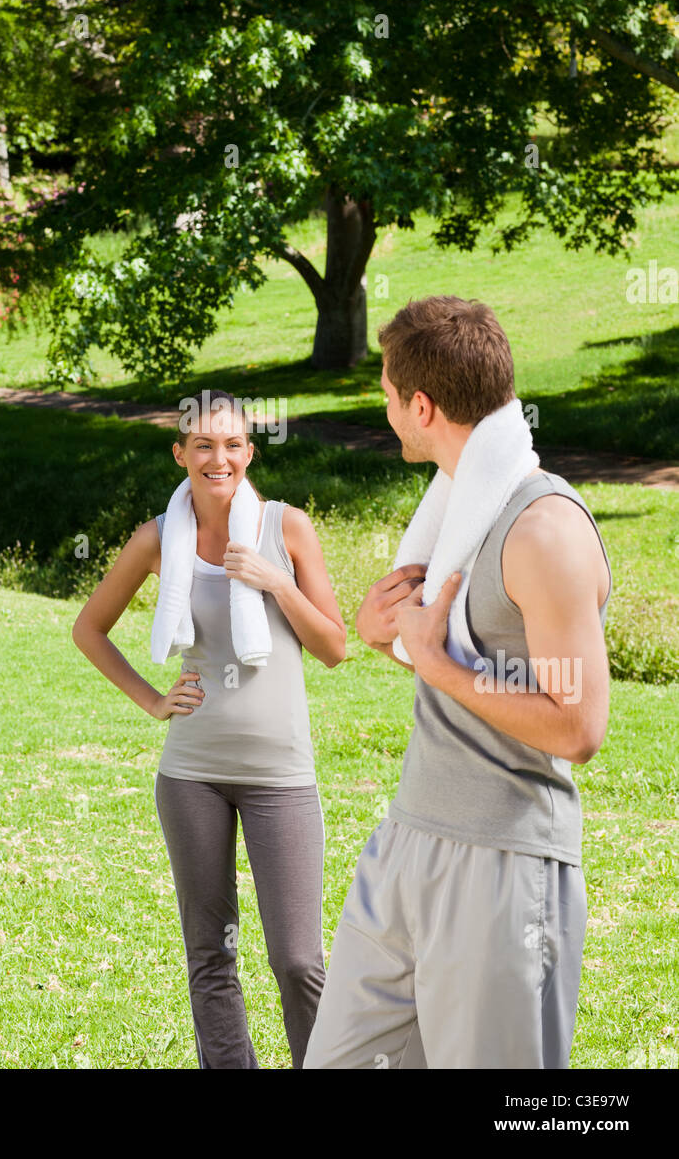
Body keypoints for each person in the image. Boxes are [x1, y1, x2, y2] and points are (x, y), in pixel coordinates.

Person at [304, 296, 612, 1070]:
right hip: (408, 840)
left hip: (507, 866)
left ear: (421, 404)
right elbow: (447, 655)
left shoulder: (543, 530)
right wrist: (390, 640)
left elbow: (580, 730)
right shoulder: (453, 513)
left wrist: (439, 665)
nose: (383, 409)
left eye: (383, 393)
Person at [72, 388, 347, 1068]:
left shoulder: (287, 528)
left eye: (231, 445)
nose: (217, 457)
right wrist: (151, 700)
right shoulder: (157, 539)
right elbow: (89, 628)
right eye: (203, 445)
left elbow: (336, 647)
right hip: (191, 773)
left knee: (296, 958)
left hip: (281, 776)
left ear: (249, 453)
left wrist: (275, 583)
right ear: (181, 453)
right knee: (211, 954)